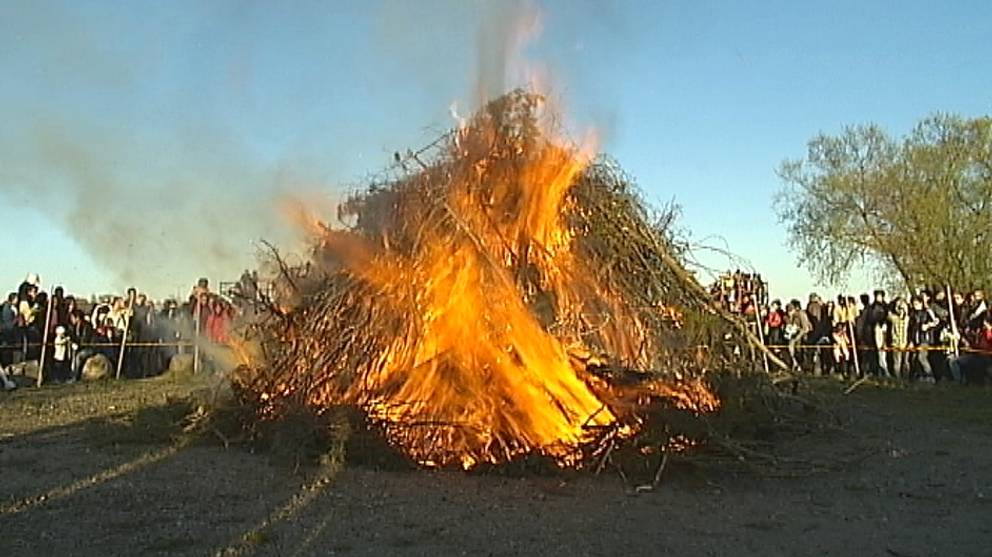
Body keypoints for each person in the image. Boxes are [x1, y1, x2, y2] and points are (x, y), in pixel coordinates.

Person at [949, 313, 992, 384]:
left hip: (986, 358)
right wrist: (968, 343)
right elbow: (978, 346)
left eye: (985, 323)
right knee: (954, 362)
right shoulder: (983, 332)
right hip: (978, 355)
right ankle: (959, 381)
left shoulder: (988, 334)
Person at [908, 296, 938, 383]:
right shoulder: (913, 315)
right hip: (916, 340)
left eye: (916, 304)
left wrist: (928, 325)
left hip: (925, 339)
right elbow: (911, 329)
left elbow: (936, 321)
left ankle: (930, 375)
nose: (915, 306)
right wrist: (911, 340)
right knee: (914, 359)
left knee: (922, 357)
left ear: (921, 303)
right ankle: (920, 375)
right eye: (913, 304)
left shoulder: (928, 312)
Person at [867, 290, 890, 378]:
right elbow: (870, 319)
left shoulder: (885, 306)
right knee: (877, 351)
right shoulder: (872, 307)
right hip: (875, 328)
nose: (878, 297)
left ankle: (885, 369)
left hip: (883, 327)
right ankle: (879, 371)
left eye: (879, 296)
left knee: (882, 351)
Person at [888, 298, 911, 379]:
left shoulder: (907, 319)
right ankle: (898, 379)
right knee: (897, 363)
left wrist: (904, 307)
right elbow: (889, 313)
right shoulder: (893, 318)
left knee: (906, 362)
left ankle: (906, 378)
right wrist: (896, 305)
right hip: (896, 343)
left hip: (905, 343)